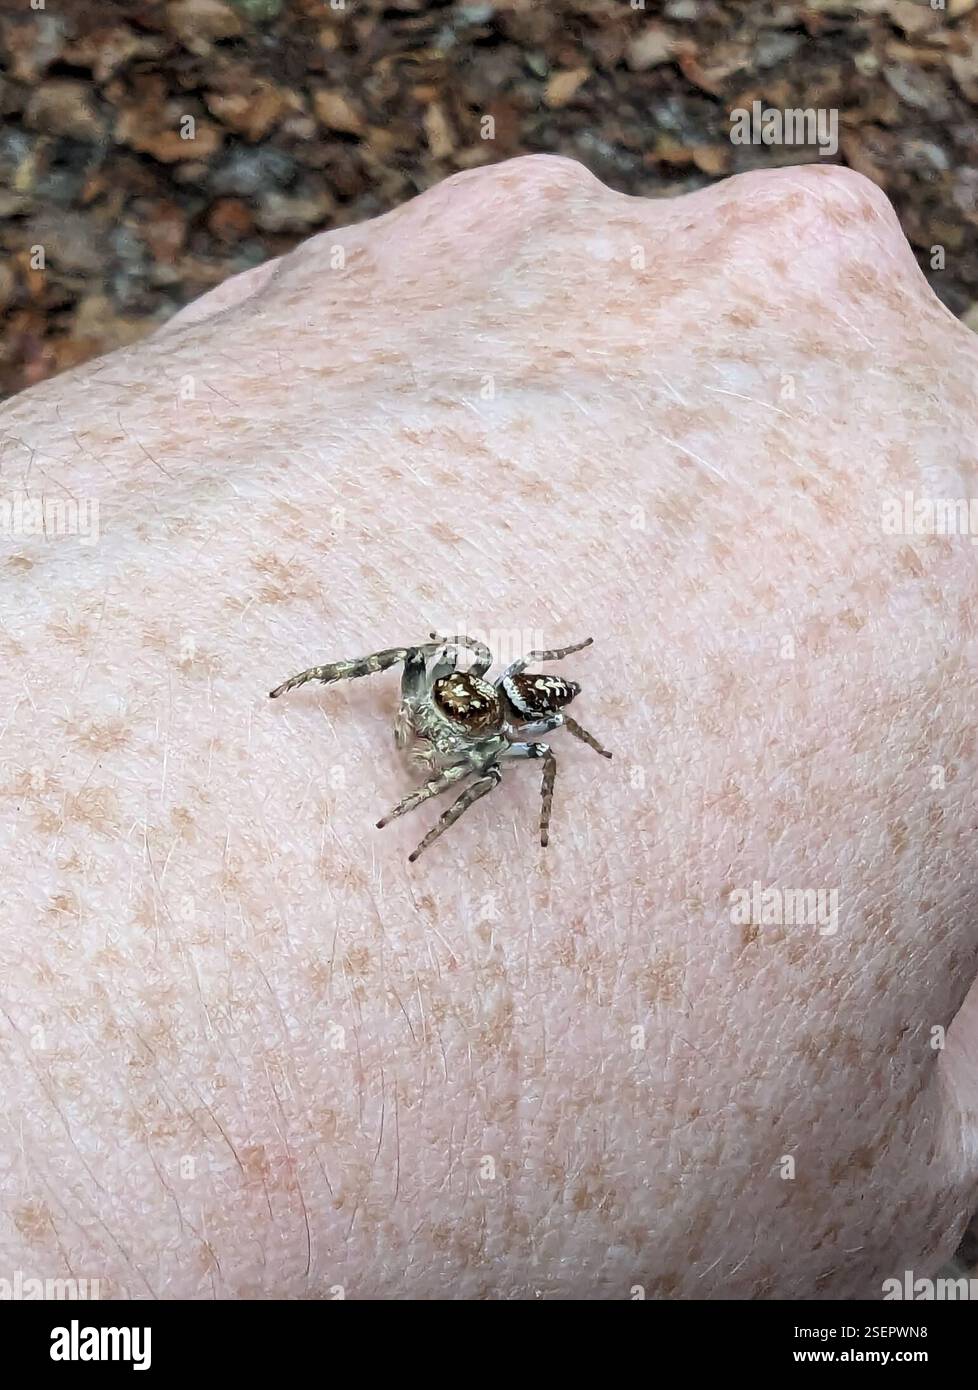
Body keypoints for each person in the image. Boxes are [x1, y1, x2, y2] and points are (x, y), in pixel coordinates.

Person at [1, 154, 975, 1299]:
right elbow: (437, 652)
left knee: (493, 764)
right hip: (481, 680)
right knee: (435, 665)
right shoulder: (468, 669)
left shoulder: (520, 737)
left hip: (503, 722)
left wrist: (442, 799)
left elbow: (533, 762)